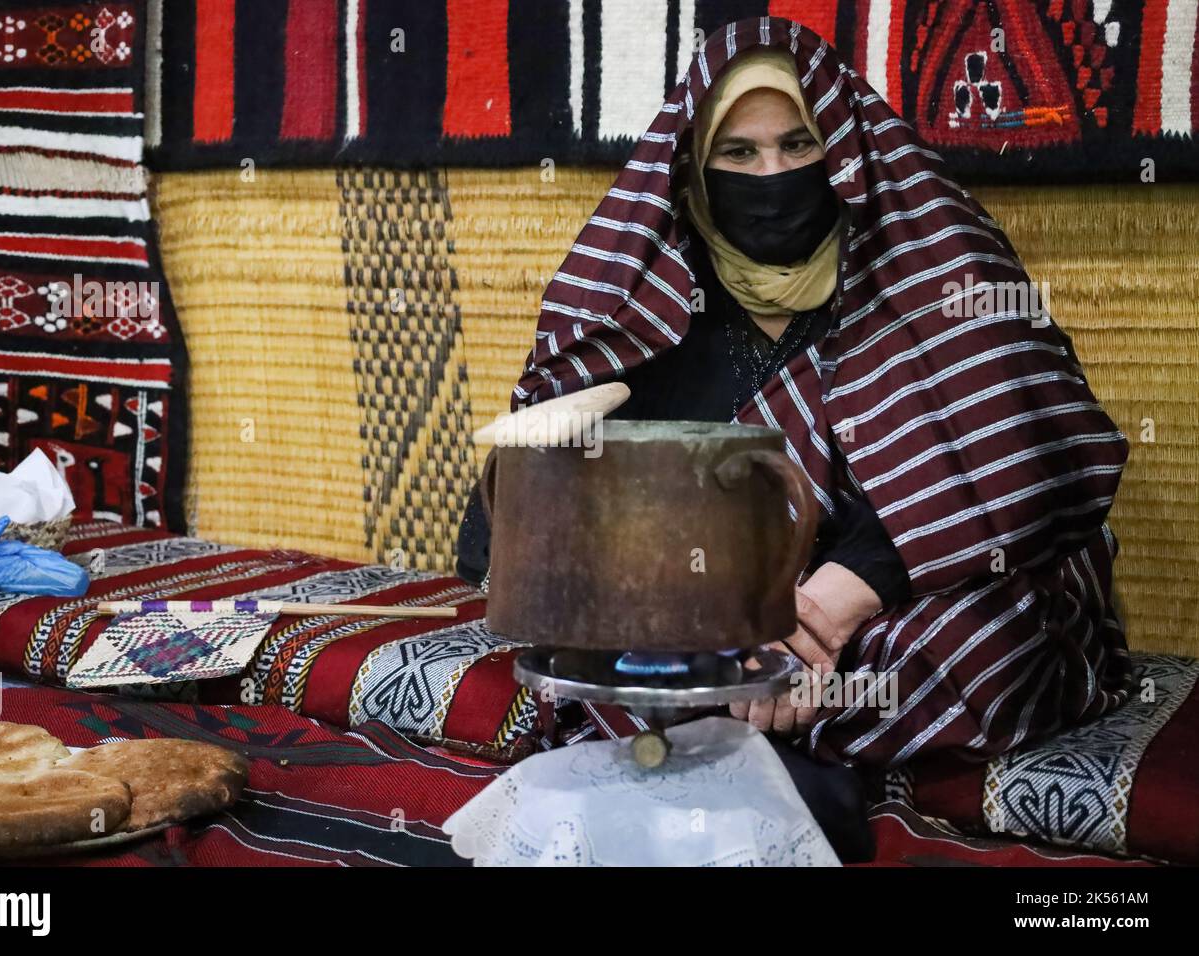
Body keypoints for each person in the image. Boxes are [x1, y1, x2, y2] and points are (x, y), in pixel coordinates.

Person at [457, 17, 1132, 768]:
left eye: (799, 145)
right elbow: (511, 529)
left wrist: (829, 605)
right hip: (713, 612)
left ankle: (731, 746)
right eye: (738, 152)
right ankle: (765, 737)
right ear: (692, 168)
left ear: (841, 151)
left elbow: (1024, 460)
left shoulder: (923, 266)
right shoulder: (647, 308)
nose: (772, 174)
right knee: (621, 656)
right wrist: (717, 609)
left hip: (893, 591)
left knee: (990, 642)